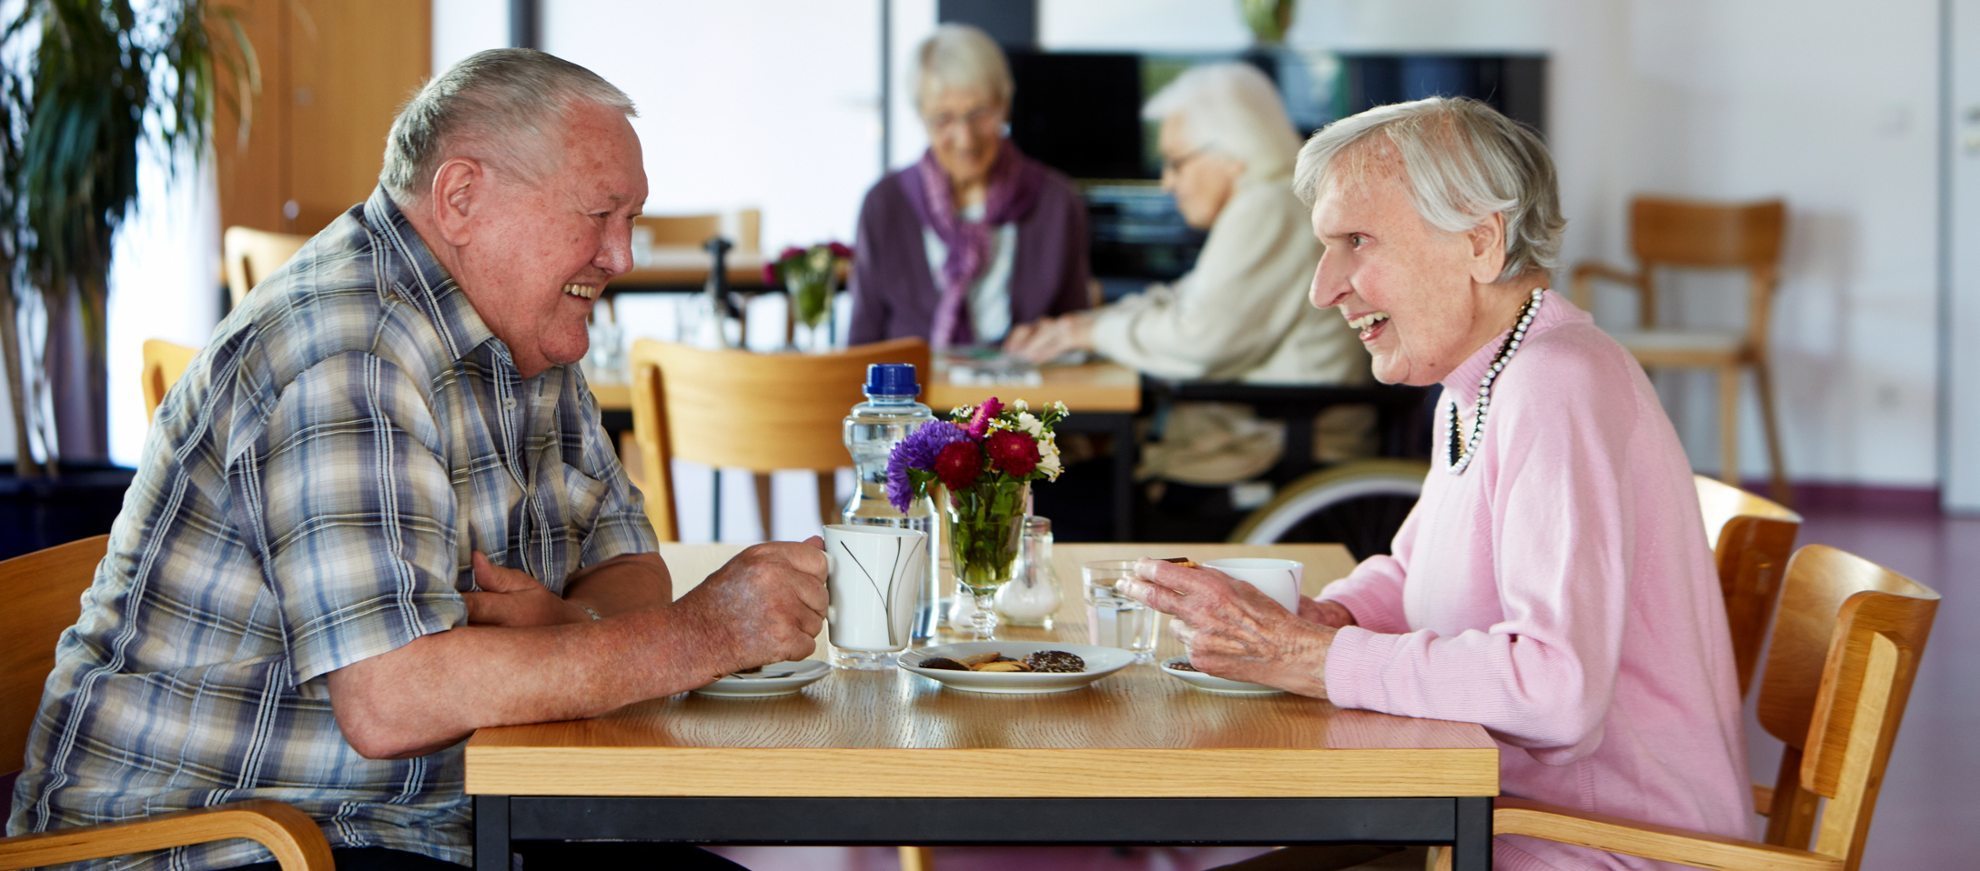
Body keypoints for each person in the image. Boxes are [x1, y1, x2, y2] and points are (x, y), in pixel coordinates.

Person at [7, 49, 826, 870]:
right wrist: (703, 633)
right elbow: (395, 701)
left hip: (425, 825)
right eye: (600, 214)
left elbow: (631, 563)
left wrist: (571, 625)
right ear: (461, 198)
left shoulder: (527, 335)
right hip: (222, 846)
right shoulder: (346, 346)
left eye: (632, 220)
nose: (623, 257)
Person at [1122, 97, 1750, 870]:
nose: (1325, 288)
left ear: (1480, 241)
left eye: (1356, 241)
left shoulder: (1556, 386)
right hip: (1501, 819)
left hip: (1601, 847)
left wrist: (1310, 655)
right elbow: (1415, 568)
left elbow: (1555, 690)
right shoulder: (1483, 379)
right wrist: (1324, 615)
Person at [1003, 63, 1372, 485]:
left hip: (1273, 450)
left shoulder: (1269, 207)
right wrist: (1084, 325)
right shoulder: (1270, 201)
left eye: (1176, 163)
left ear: (1232, 155)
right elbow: (1187, 299)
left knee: (1065, 490)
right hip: (1256, 437)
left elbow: (1197, 339)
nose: (1167, 183)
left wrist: (1088, 333)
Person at [845, 24, 1091, 349]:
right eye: (943, 119)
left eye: (979, 114)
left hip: (1021, 398)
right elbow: (862, 343)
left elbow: (1075, 333)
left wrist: (1052, 340)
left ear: (1004, 104)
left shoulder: (1057, 202)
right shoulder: (884, 204)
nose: (965, 138)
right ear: (921, 117)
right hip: (915, 399)